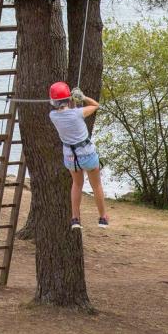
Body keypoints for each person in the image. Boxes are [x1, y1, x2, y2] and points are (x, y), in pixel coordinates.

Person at [47, 81, 109, 229]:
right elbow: (95, 105)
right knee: (96, 185)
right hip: (87, 153)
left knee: (77, 184)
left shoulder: (53, 115)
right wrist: (83, 97)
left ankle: (75, 218)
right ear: (69, 98)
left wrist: (71, 99)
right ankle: (103, 217)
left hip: (70, 157)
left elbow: (66, 110)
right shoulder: (78, 113)